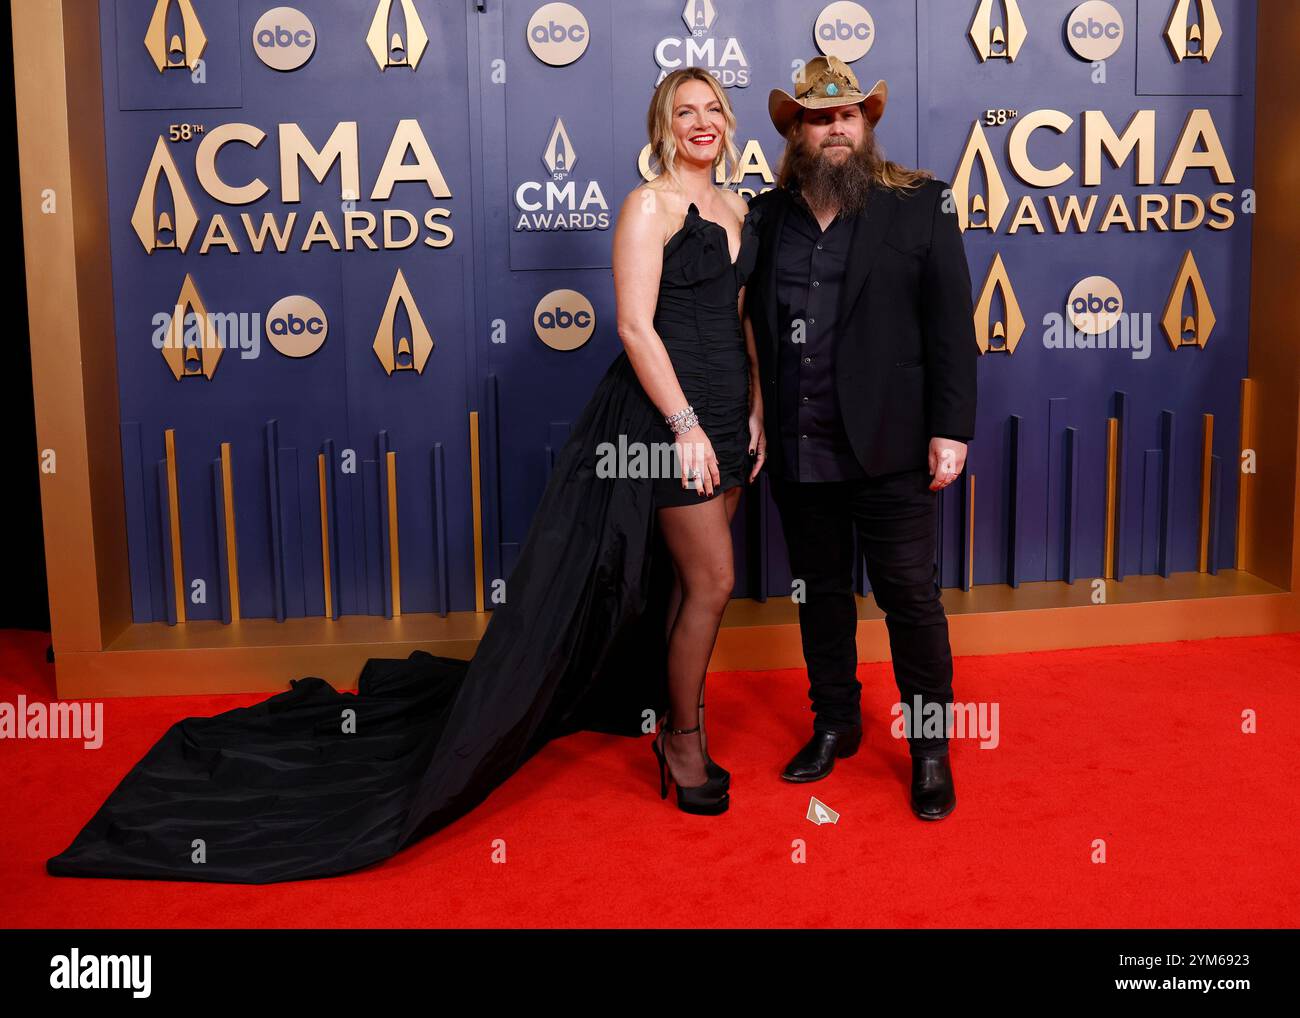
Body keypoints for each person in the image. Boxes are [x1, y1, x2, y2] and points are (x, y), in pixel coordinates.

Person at [44, 68, 763, 884]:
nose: (701, 123)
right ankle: (684, 742)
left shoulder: (739, 206)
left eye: (712, 109)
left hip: (729, 420)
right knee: (713, 581)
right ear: (663, 125)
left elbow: (740, 322)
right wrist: (686, 428)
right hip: (669, 425)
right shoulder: (649, 206)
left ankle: (666, 712)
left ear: (728, 121)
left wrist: (755, 409)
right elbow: (635, 326)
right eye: (685, 111)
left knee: (683, 584)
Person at [742, 56, 977, 820]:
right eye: (819, 117)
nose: (835, 127)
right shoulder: (768, 217)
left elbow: (951, 328)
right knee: (821, 598)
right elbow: (749, 324)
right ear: (797, 134)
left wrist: (952, 429)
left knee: (911, 597)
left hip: (894, 447)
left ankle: (930, 749)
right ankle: (836, 723)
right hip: (800, 445)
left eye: (848, 114)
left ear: (866, 124)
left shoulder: (922, 205)